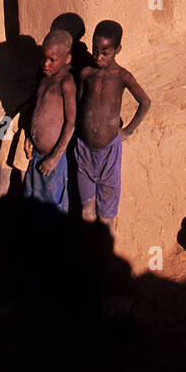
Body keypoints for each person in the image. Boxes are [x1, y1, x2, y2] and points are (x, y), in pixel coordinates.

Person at [74, 21, 150, 236]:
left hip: (108, 151)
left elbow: (145, 102)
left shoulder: (122, 76)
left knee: (106, 214)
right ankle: (88, 259)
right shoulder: (86, 73)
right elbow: (81, 104)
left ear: (118, 50)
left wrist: (127, 131)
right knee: (86, 211)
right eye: (95, 51)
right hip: (83, 150)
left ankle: (107, 259)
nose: (98, 57)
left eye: (105, 53)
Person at [23, 29, 76, 212]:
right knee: (32, 207)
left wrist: (54, 158)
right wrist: (30, 137)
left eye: (52, 60)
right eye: (44, 58)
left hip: (53, 162)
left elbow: (70, 124)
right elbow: (38, 111)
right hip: (36, 157)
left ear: (67, 59)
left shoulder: (66, 83)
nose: (46, 64)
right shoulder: (44, 79)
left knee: (52, 212)